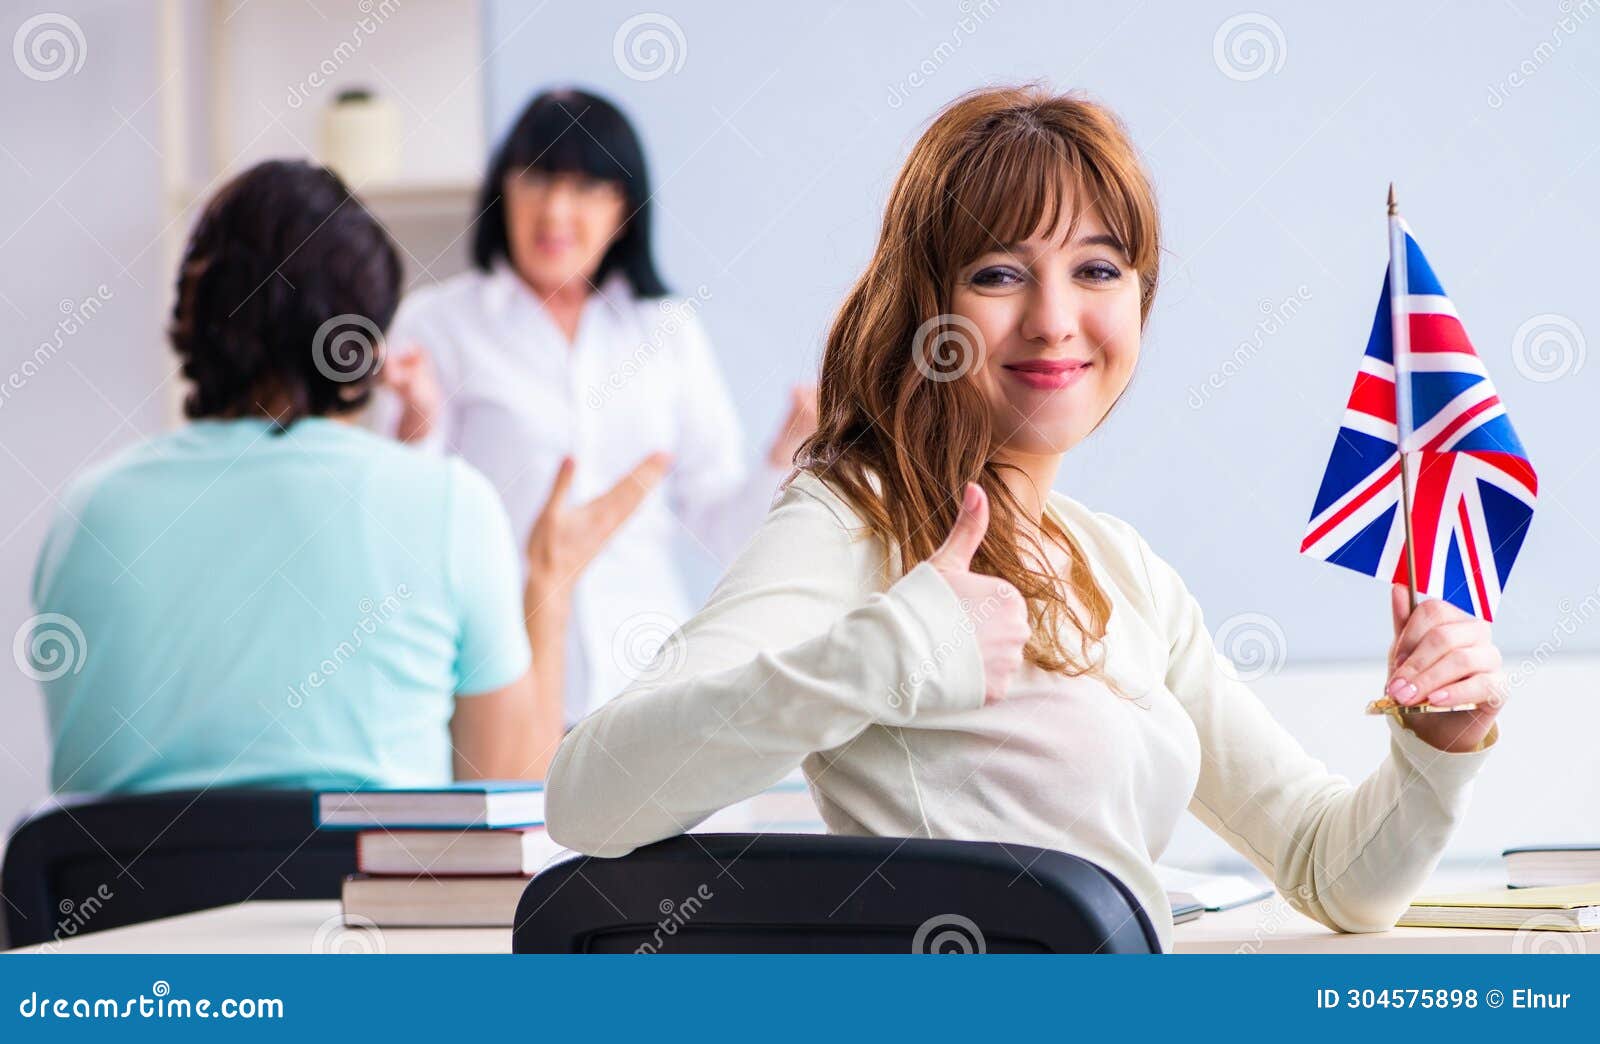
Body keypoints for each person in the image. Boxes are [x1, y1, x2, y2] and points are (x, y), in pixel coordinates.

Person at [541, 87, 1505, 950]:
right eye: (999, 274)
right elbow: (588, 795)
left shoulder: (1120, 567)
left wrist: (1435, 751)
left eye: (1098, 269)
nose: (1053, 318)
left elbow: (1332, 874)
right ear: (927, 308)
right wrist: (893, 649)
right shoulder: (855, 517)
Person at [27, 160, 657, 794]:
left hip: (132, 868)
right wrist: (550, 581)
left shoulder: (89, 512)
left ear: (193, 312)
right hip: (362, 868)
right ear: (366, 347)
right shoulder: (448, 505)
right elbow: (511, 795)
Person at [376, 88, 817, 724]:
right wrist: (416, 424)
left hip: (648, 685)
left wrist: (786, 454)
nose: (555, 209)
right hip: (497, 678)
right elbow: (399, 524)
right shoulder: (438, 323)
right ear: (503, 191)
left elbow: (725, 530)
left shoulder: (666, 331)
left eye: (585, 186)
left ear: (624, 210)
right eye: (536, 179)